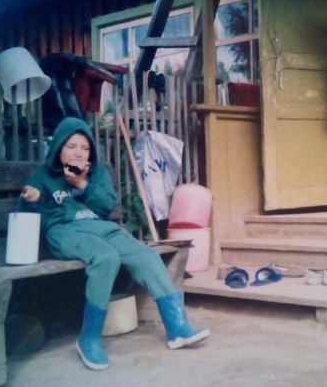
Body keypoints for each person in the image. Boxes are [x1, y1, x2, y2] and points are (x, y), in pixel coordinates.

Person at [19, 117, 209, 371]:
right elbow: (28, 221)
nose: (78, 153)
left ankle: (177, 328)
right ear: (58, 148)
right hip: (64, 231)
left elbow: (107, 206)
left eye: (85, 148)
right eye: (71, 146)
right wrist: (30, 202)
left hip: (102, 228)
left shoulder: (96, 173)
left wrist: (82, 184)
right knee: (106, 259)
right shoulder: (42, 176)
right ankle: (89, 338)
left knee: (146, 256)